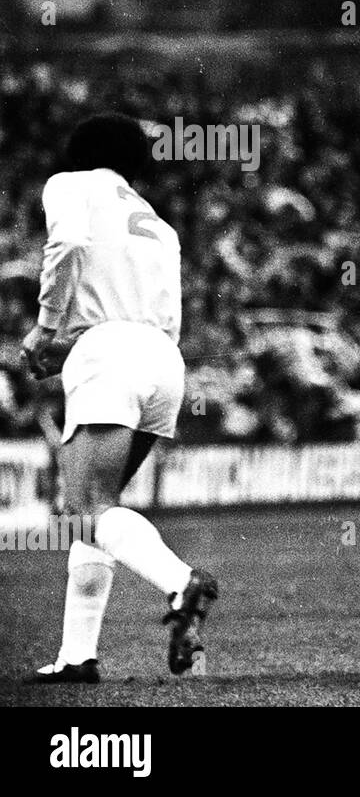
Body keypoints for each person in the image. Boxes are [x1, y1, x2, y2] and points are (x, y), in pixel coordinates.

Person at [24, 112, 218, 684]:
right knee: (97, 512)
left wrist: (44, 327)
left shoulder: (69, 184)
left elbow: (70, 242)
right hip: (162, 362)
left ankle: (181, 582)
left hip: (109, 357)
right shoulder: (159, 224)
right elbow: (151, 323)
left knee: (84, 507)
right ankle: (77, 656)